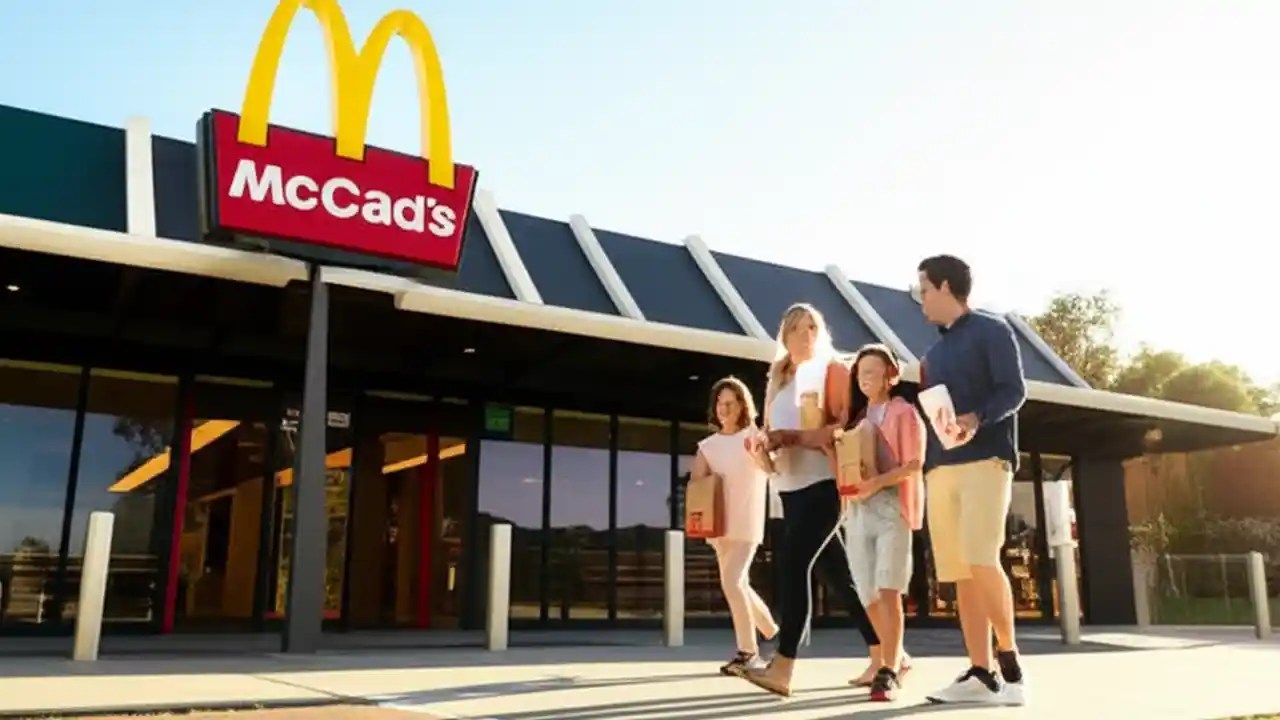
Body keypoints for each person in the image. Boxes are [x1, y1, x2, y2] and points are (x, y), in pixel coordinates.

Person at [741, 303, 880, 698]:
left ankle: (783, 667)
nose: (807, 335)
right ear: (784, 335)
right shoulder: (777, 377)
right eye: (799, 329)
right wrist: (765, 441)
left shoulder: (832, 369)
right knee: (840, 579)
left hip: (823, 484)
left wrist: (793, 436)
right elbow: (772, 430)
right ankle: (886, 653)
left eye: (814, 328)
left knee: (793, 564)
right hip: (789, 487)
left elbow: (845, 426)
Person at [914, 254, 1028, 706]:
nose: (919, 297)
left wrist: (976, 418)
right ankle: (980, 674)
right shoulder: (932, 354)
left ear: (945, 287)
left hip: (987, 459)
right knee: (960, 570)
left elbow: (1014, 391)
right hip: (941, 467)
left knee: (982, 556)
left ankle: (1012, 666)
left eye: (923, 288)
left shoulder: (992, 328)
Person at [842, 343, 926, 702]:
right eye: (861, 373)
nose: (865, 379)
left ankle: (888, 669)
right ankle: (899, 657)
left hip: (891, 507)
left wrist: (877, 482)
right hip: (858, 511)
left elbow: (914, 463)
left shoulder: (903, 411)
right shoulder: (859, 417)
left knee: (889, 588)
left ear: (891, 375)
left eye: (873, 372)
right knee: (867, 594)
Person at [689, 376, 779, 675]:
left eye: (730, 403)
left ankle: (748, 652)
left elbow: (770, 470)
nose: (723, 408)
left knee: (732, 582)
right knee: (737, 583)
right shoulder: (707, 446)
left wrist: (758, 453)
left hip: (746, 523)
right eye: (719, 403)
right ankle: (767, 626)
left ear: (742, 405)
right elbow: (696, 484)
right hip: (718, 527)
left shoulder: (754, 436)